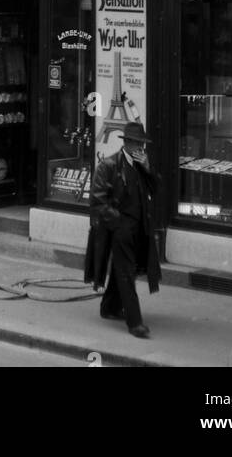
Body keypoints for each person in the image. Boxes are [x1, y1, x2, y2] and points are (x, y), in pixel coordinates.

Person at [84, 121, 161, 339]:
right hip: (121, 227)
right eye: (137, 144)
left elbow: (155, 190)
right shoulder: (109, 165)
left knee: (127, 269)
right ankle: (135, 322)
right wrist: (117, 223)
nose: (140, 149)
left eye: (142, 145)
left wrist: (148, 169)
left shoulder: (140, 165)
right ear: (127, 143)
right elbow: (98, 201)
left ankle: (109, 307)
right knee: (127, 272)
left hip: (139, 227)